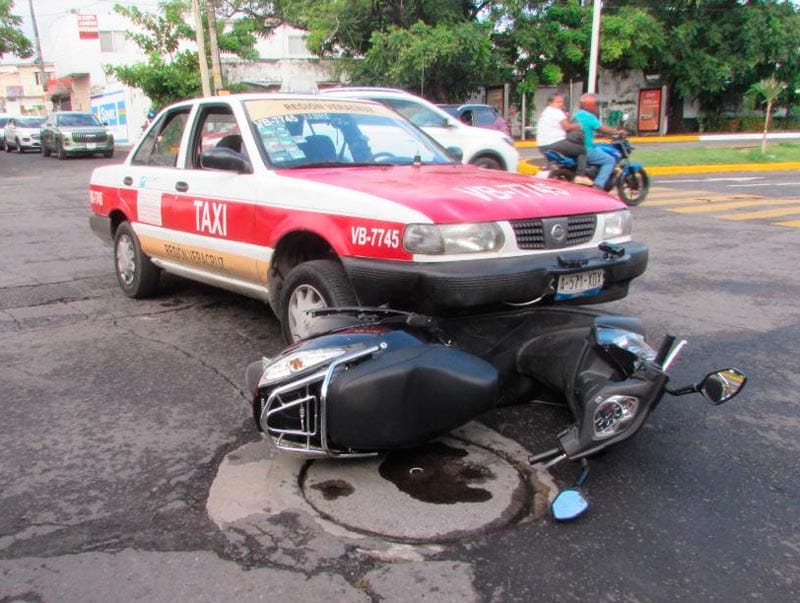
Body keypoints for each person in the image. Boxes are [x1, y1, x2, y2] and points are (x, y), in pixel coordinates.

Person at [536, 93, 593, 186]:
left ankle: (553, 167)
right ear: (550, 102)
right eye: (558, 102)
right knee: (582, 150)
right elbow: (567, 127)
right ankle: (580, 176)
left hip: (542, 145)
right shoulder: (557, 112)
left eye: (562, 102)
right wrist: (579, 126)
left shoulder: (546, 112)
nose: (561, 104)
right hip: (555, 142)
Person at [572, 93, 626, 190]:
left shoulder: (576, 114)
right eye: (596, 104)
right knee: (610, 160)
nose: (597, 107)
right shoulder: (589, 116)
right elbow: (602, 129)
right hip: (586, 149)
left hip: (574, 148)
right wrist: (617, 132)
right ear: (589, 105)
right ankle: (598, 185)